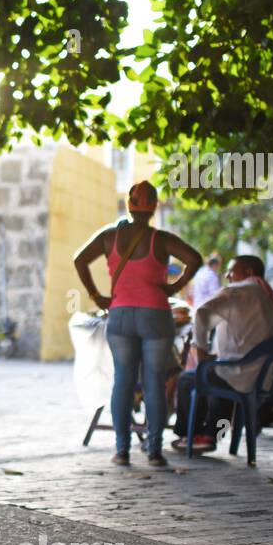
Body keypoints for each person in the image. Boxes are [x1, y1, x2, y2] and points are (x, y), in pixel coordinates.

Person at [74, 180, 203, 467]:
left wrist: (97, 295)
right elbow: (195, 259)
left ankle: (122, 451)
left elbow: (80, 259)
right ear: (154, 207)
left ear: (129, 204)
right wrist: (174, 285)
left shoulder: (109, 237)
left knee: (123, 381)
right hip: (155, 315)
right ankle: (154, 451)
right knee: (155, 383)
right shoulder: (162, 239)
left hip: (120, 315)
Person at [171, 256, 273, 452]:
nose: (227, 276)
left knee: (189, 379)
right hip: (271, 380)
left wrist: (201, 354)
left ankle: (191, 435)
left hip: (242, 374)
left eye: (231, 271)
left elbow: (201, 314)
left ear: (249, 272)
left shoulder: (238, 292)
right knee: (220, 376)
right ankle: (212, 435)